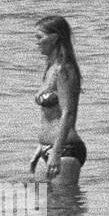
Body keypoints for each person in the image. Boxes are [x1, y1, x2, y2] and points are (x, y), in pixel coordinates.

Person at [30, 16, 86, 191]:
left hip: (64, 150)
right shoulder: (50, 68)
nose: (37, 43)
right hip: (48, 148)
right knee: (42, 206)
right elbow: (50, 115)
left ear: (54, 38)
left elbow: (68, 113)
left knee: (62, 208)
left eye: (40, 38)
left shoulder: (64, 69)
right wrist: (42, 146)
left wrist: (56, 151)